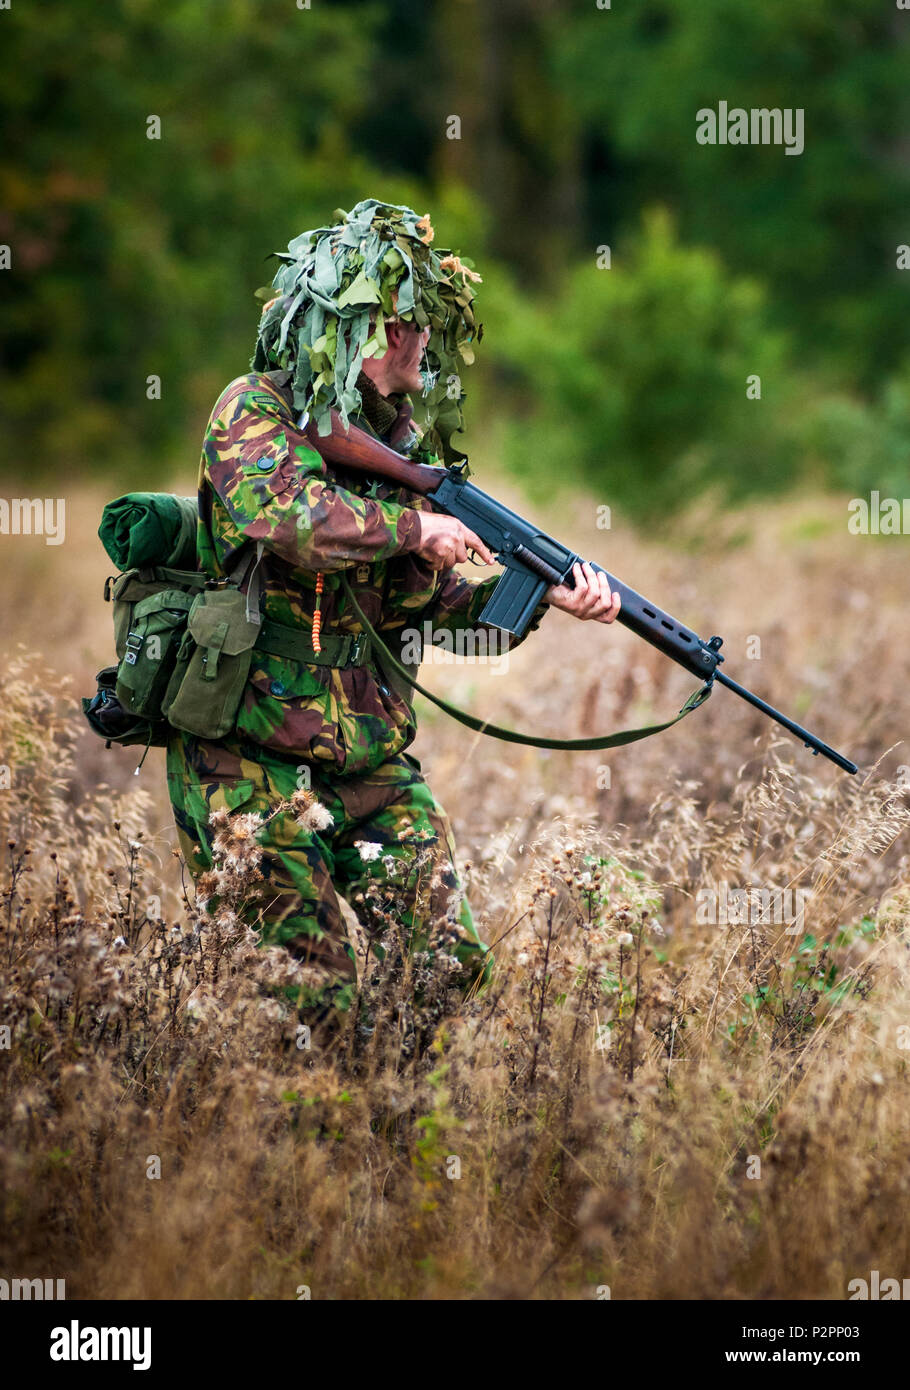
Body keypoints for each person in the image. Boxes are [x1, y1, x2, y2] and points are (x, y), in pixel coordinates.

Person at [165, 199, 620, 1042]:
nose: (428, 346)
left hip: (368, 762)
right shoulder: (253, 413)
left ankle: (403, 1134)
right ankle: (303, 1157)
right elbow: (289, 516)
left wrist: (537, 602)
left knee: (447, 971)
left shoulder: (405, 454)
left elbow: (435, 613)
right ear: (366, 330)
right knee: (311, 999)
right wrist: (418, 526)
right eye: (414, 324)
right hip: (249, 761)